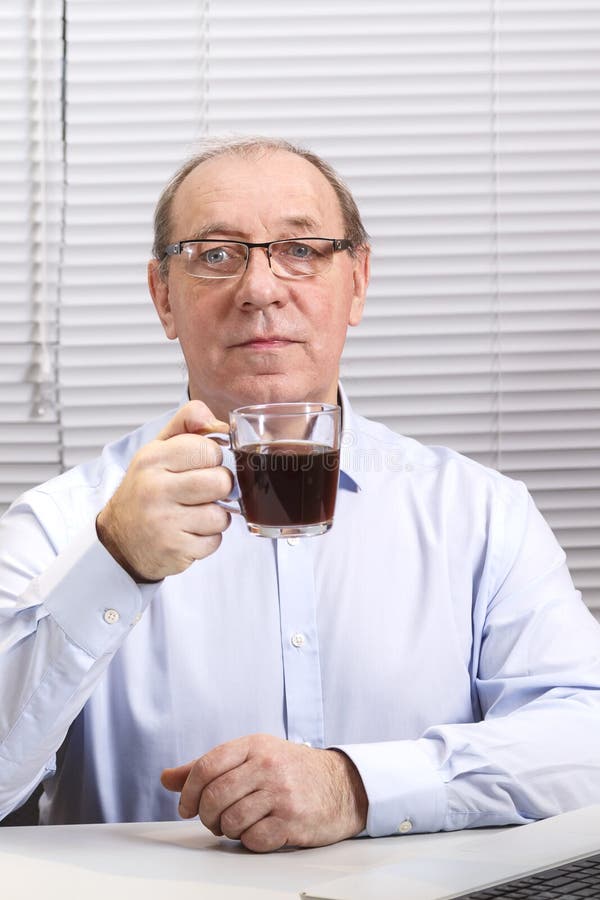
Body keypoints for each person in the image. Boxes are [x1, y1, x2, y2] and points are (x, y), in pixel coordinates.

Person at [1, 137, 599, 853]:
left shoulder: (482, 515)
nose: (259, 289)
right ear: (164, 297)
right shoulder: (65, 521)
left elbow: (583, 742)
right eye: (215, 254)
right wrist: (114, 563)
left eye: (302, 249)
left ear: (360, 283)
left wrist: (355, 787)